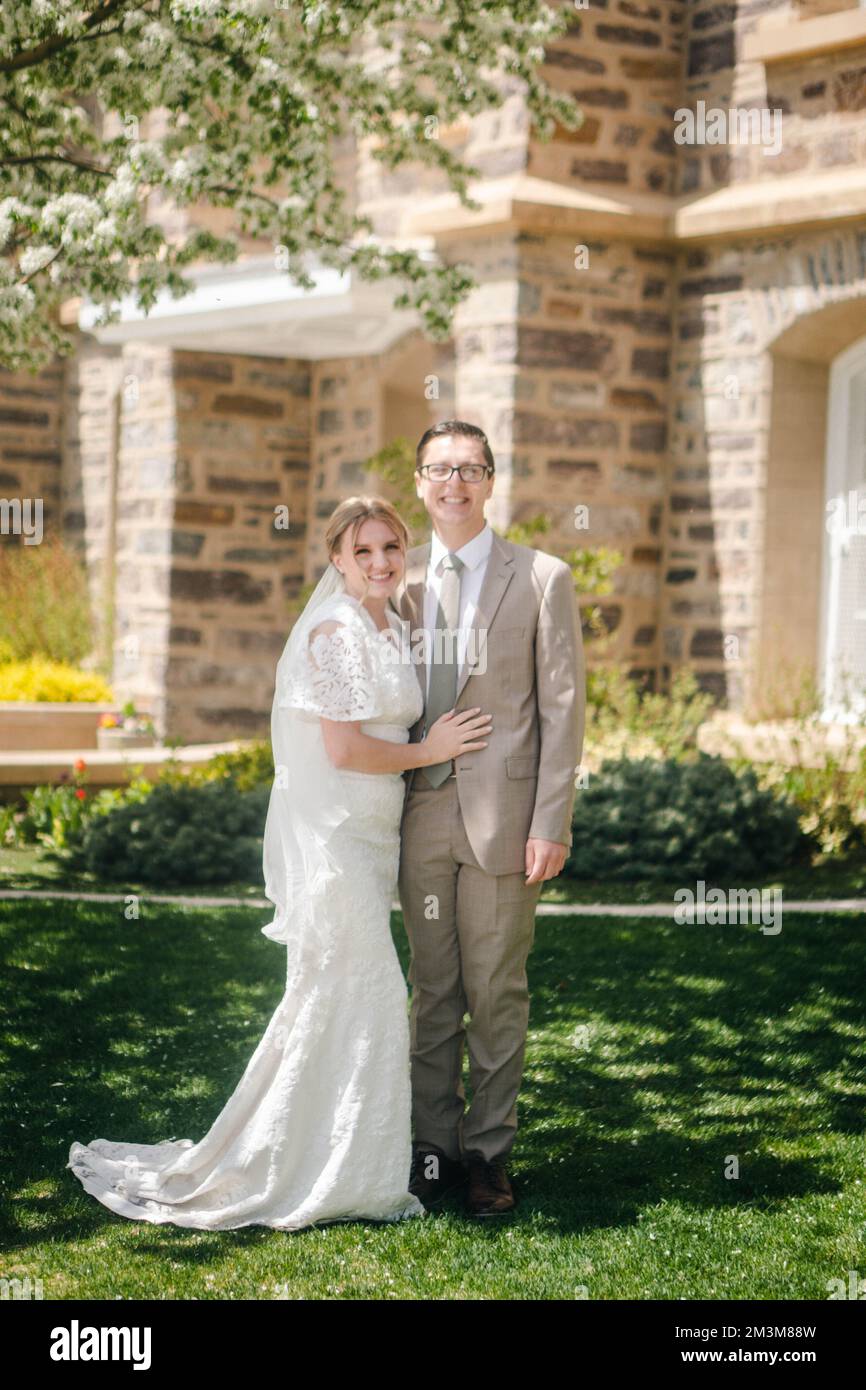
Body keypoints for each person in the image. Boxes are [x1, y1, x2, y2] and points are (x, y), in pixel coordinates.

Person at [66, 496, 492, 1232]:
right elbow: (343, 748)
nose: (381, 562)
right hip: (336, 840)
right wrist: (433, 750)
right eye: (363, 551)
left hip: (374, 838)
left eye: (391, 547)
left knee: (337, 994)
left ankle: (324, 1159)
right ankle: (334, 1174)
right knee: (361, 990)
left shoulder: (391, 625)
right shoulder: (335, 632)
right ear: (336, 558)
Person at [398, 420, 585, 1218]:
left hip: (506, 819)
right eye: (440, 469)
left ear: (490, 481)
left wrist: (552, 821)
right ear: (419, 482)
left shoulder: (542, 577)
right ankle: (431, 1150)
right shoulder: (396, 579)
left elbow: (563, 709)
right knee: (432, 991)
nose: (455, 483)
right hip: (417, 813)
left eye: (470, 469)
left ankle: (487, 1156)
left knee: (497, 991)